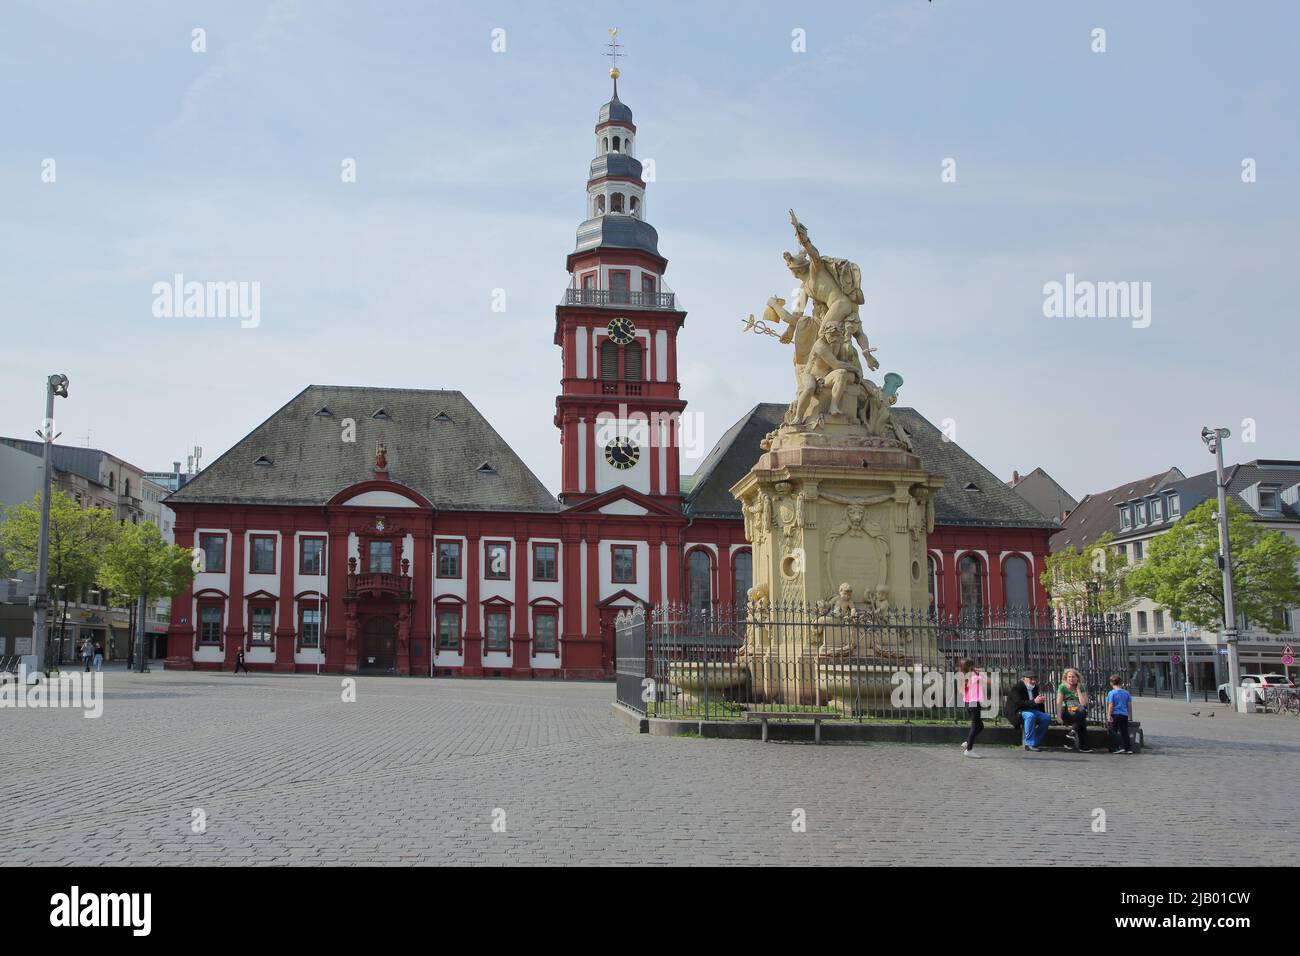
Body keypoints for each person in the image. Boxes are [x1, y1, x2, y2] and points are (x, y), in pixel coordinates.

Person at [1010, 672, 1052, 751]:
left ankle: (1034, 742)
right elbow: (1018, 702)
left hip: (1031, 709)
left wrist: (1040, 702)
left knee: (1046, 717)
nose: (1033, 681)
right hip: (1019, 710)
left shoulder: (1034, 687)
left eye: (1035, 679)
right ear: (1024, 679)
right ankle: (1029, 744)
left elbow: (1036, 702)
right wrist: (1035, 701)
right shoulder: (1017, 687)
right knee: (1030, 716)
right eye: (1031, 679)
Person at [1057, 668, 1093, 753]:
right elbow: (1059, 703)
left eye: (1073, 677)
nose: (1071, 679)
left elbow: (1084, 703)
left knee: (1082, 718)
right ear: (1066, 678)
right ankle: (1082, 746)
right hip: (1066, 711)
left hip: (1078, 712)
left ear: (1077, 678)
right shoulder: (1062, 687)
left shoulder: (1081, 687)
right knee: (1082, 716)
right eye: (1069, 677)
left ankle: (1072, 735)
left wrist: (1078, 690)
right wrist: (1058, 717)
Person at [959, 659, 984, 757]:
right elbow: (989, 681)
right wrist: (980, 672)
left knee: (980, 726)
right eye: (973, 665)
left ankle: (968, 742)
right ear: (970, 667)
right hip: (974, 703)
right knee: (975, 726)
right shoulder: (974, 676)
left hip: (968, 703)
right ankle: (969, 750)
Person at [1106, 674, 1135, 754]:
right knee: (1125, 732)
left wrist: (1109, 715)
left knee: (1112, 731)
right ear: (1121, 683)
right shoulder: (1126, 693)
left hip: (1115, 714)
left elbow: (1111, 705)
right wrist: (1129, 715)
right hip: (1124, 715)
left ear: (1111, 683)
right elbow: (1129, 705)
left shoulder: (1111, 693)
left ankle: (1116, 747)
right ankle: (1128, 748)